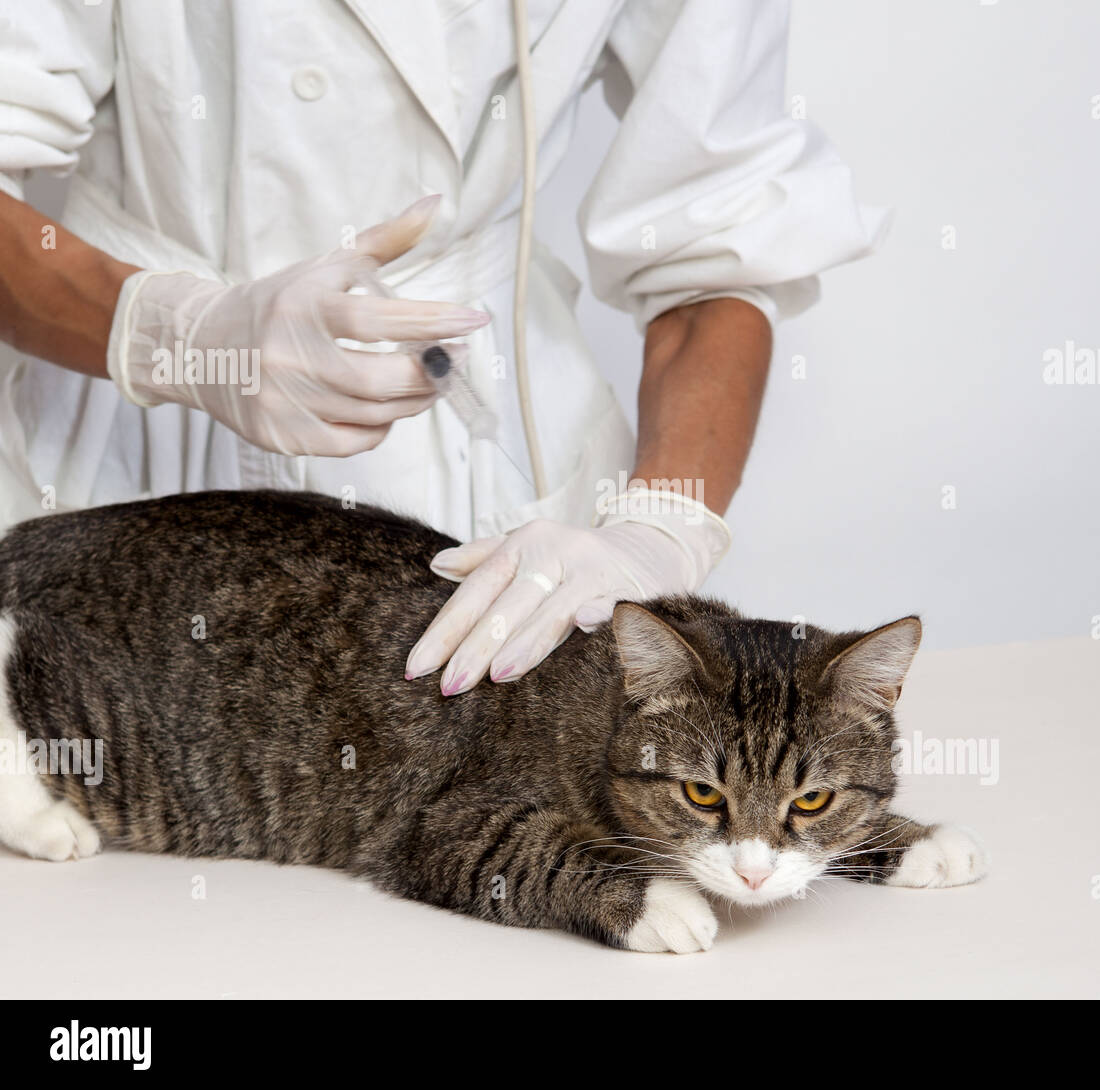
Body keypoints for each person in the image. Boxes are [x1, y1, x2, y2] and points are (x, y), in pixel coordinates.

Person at [0, 0, 885, 694]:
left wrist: (662, 527)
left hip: (500, 460)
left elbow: (715, 236)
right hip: (124, 442)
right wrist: (171, 333)